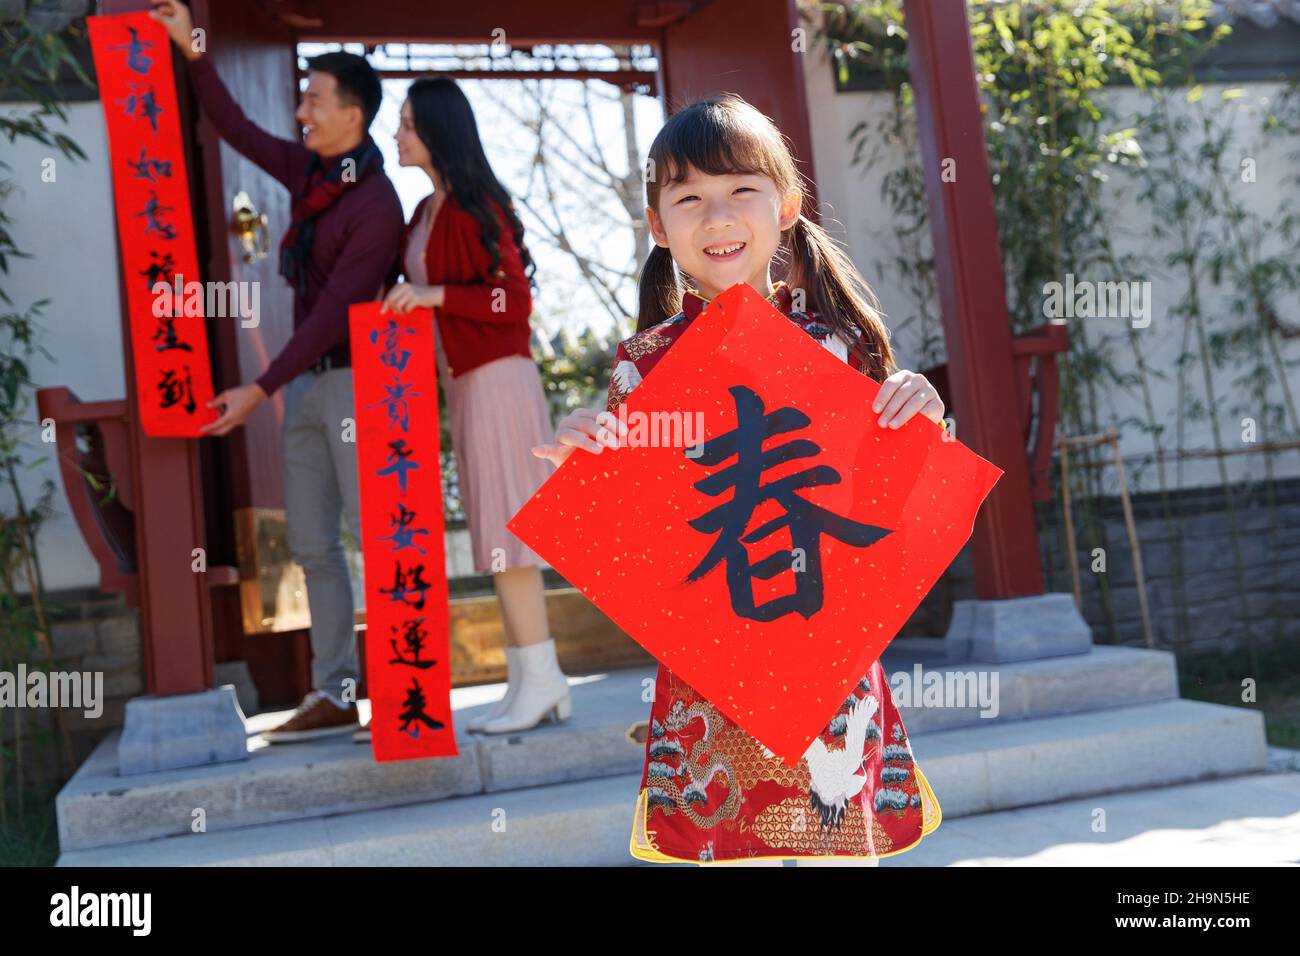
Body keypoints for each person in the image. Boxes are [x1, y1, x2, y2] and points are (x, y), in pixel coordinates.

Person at [531, 95, 944, 865]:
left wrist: (921, 418)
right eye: (688, 198)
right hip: (711, 664)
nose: (717, 217)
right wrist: (585, 473)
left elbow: (891, 507)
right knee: (728, 847)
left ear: (787, 205)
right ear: (659, 226)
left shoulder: (841, 346)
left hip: (824, 643)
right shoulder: (642, 367)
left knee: (832, 842)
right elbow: (637, 547)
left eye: (740, 191)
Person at [150, 2, 406, 742]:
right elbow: (233, 128)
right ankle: (333, 692)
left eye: (313, 99)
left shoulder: (377, 203)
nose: (299, 111)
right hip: (305, 386)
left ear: (351, 115)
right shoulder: (310, 172)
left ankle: (402, 692)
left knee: (376, 538)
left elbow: (332, 312)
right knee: (314, 546)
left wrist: (258, 388)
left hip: (357, 382)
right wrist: (191, 47)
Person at [377, 78, 567, 736]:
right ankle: (536, 681)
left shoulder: (472, 205)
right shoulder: (427, 211)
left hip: (498, 381)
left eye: (406, 124)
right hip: (467, 383)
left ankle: (540, 679)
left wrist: (432, 299)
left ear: (437, 131)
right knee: (497, 535)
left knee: (508, 537)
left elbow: (512, 303)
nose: (395, 135)